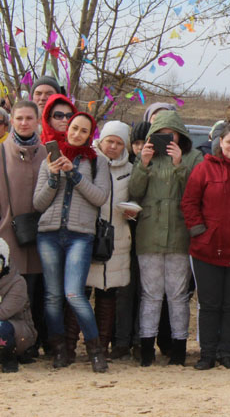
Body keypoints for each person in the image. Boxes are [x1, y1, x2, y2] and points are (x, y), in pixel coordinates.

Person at [33, 100, 110, 372]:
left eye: (83, 131)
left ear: (91, 135)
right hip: (49, 234)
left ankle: (94, 350)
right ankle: (59, 350)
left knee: (74, 294)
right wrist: (54, 177)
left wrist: (73, 174)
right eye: (74, 128)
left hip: (80, 235)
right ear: (67, 129)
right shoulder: (49, 158)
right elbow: (38, 204)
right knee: (52, 296)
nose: (77, 133)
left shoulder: (97, 161)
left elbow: (100, 197)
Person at [181, 122, 230, 370]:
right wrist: (199, 231)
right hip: (207, 248)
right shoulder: (204, 169)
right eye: (229, 142)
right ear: (220, 144)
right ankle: (207, 353)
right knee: (209, 303)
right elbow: (190, 202)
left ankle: (227, 352)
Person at [129, 110, 203, 367]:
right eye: (158, 135)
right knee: (150, 295)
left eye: (169, 134)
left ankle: (179, 351)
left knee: (178, 295)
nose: (164, 139)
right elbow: (135, 193)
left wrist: (179, 165)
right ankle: (147, 350)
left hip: (180, 237)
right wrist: (144, 164)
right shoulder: (145, 157)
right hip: (149, 235)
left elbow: (194, 194)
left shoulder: (193, 157)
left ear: (179, 134)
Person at [71, 122, 133, 363]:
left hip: (117, 239)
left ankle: (100, 347)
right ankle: (69, 345)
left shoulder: (130, 168)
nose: (114, 147)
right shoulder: (88, 161)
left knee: (108, 296)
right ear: (101, 141)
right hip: (86, 235)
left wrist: (132, 212)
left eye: (119, 143)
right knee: (79, 293)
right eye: (110, 141)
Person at [0, 100, 45, 359]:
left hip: (41, 235)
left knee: (38, 293)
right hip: (8, 235)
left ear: (37, 121)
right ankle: (16, 346)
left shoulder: (48, 152)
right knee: (14, 293)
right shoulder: (1, 152)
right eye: (19, 118)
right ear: (12, 121)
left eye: (29, 118)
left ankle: (35, 343)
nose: (24, 123)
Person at [0, 237, 36, 373]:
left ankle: (9, 358)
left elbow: (3, 312)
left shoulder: (17, 283)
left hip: (17, 330)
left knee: (1, 327)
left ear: (5, 262)